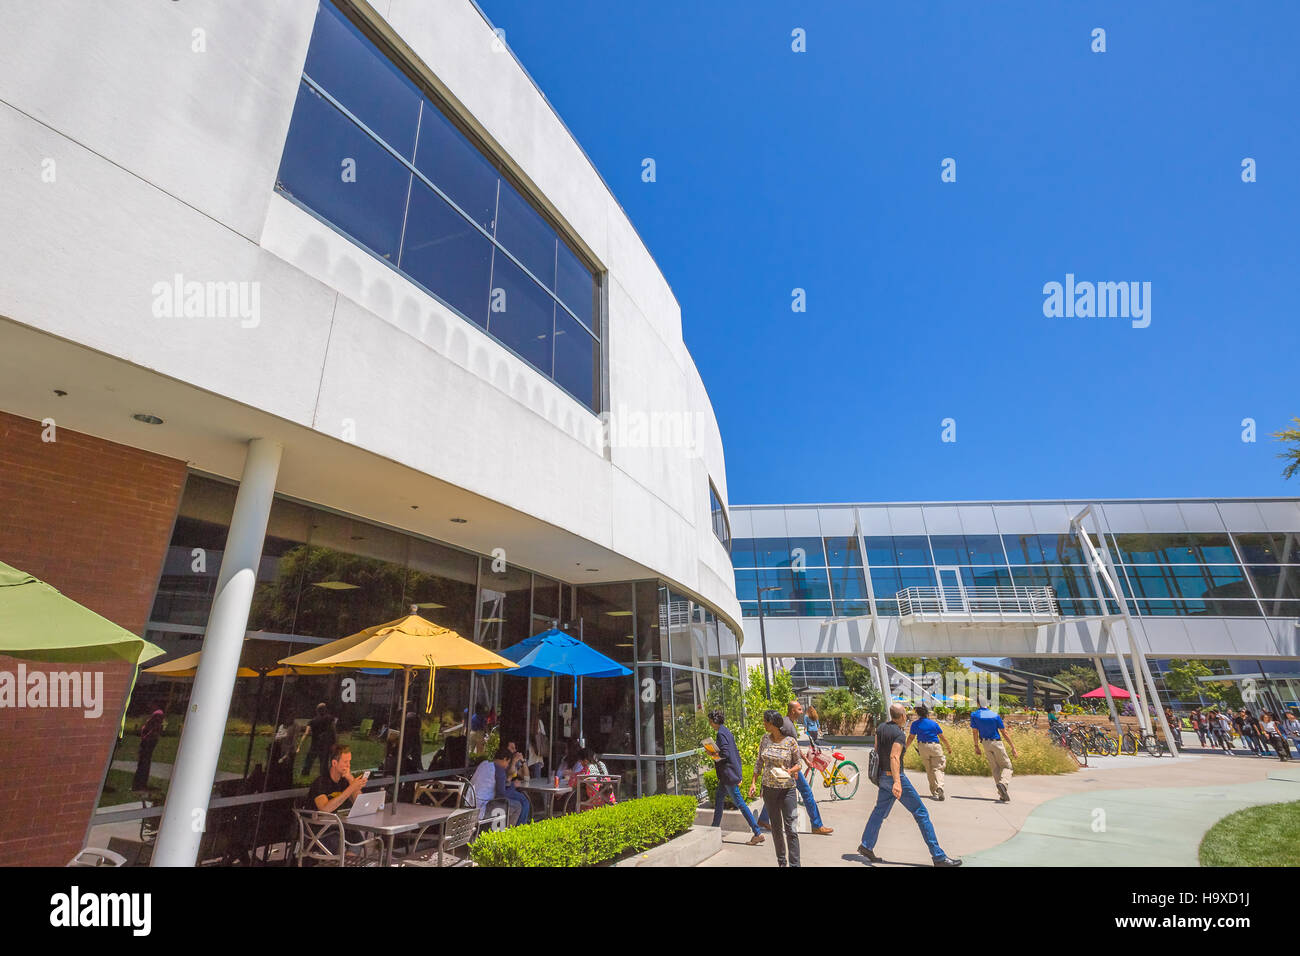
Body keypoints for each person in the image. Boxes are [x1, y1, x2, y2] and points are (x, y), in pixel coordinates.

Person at [859, 702, 961, 867]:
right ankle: (939, 857)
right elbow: (894, 757)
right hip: (894, 777)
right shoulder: (899, 734)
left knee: (879, 812)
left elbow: (876, 751)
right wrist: (897, 782)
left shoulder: (881, 728)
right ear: (902, 717)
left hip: (883, 778)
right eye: (905, 714)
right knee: (921, 812)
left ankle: (866, 845)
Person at [756, 701, 834, 836]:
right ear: (792, 711)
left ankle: (763, 819)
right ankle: (817, 825)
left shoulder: (788, 723)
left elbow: (794, 747)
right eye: (799, 709)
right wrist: (796, 767)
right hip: (790, 769)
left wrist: (803, 760)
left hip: (789, 767)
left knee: (776, 793)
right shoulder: (787, 725)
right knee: (807, 793)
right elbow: (790, 748)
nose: (801, 712)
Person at [748, 709, 802, 867]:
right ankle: (782, 863)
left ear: (772, 724)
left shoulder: (790, 742)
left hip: (788, 790)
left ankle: (795, 865)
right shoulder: (764, 739)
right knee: (777, 829)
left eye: (765, 721)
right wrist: (753, 782)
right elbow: (759, 762)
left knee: (791, 829)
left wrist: (791, 771)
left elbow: (799, 763)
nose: (763, 724)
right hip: (769, 790)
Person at [707, 709, 763, 845]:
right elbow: (733, 753)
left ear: (714, 721)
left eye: (710, 721)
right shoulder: (726, 731)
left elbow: (724, 754)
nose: (709, 724)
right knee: (719, 799)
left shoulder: (721, 733)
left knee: (741, 804)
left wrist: (712, 754)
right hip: (730, 774)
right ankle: (714, 829)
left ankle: (757, 832)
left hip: (728, 776)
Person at [970, 698, 1018, 802]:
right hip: (997, 743)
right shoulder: (994, 715)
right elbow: (1004, 732)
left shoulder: (974, 715)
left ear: (977, 703)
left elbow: (975, 732)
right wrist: (1013, 747)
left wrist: (976, 746)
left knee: (995, 768)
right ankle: (1003, 784)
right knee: (1008, 767)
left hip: (985, 744)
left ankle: (1002, 794)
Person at [470, 747, 531, 825]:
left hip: (470, 802)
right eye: (508, 763)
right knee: (517, 806)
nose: (507, 766)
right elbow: (501, 795)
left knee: (518, 800)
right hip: (482, 808)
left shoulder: (484, 763)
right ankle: (510, 832)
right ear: (505, 759)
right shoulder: (499, 770)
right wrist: (513, 785)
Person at [907, 704, 952, 800]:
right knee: (938, 768)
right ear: (927, 713)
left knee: (929, 770)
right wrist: (948, 747)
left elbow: (911, 738)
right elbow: (942, 737)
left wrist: (905, 748)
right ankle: (940, 786)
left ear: (918, 714)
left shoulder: (915, 724)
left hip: (922, 747)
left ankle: (935, 792)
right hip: (935, 747)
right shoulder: (933, 724)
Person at [300, 703, 338, 780]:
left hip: (314, 744)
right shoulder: (330, 719)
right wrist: (335, 742)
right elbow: (334, 731)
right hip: (325, 745)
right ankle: (323, 777)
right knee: (323, 762)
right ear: (325, 710)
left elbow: (307, 732)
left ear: (317, 711)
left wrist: (300, 743)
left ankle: (305, 774)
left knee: (309, 760)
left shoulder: (312, 721)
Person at [133, 709, 165, 791]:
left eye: (160, 718)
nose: (159, 720)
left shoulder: (157, 727)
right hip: (145, 748)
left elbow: (155, 736)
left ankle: (141, 784)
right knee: (142, 766)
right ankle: (138, 785)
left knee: (145, 766)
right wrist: (151, 733)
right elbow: (145, 737)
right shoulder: (149, 726)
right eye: (157, 718)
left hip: (149, 749)